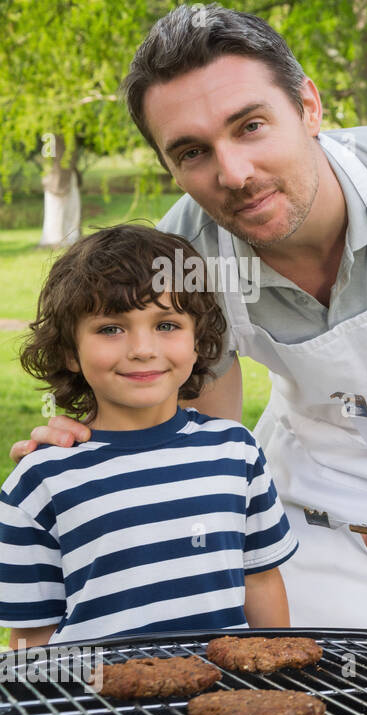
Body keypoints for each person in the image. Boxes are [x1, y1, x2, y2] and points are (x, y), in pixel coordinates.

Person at [11, 7, 367, 642]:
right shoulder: (181, 264)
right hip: (311, 518)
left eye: (251, 126)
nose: (233, 174)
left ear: (309, 106)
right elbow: (202, 439)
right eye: (193, 152)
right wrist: (98, 445)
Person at [1, 226, 296, 647]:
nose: (142, 348)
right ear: (70, 351)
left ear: (198, 342)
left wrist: (281, 680)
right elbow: (32, 634)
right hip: (97, 708)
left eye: (167, 324)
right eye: (110, 329)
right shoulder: (40, 481)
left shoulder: (237, 451)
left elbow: (262, 581)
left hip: (224, 698)